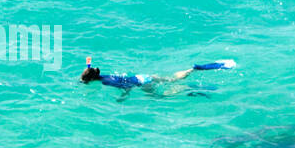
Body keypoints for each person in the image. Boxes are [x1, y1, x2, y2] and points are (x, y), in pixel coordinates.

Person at [80, 56, 235, 89]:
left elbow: (126, 87)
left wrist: (123, 98)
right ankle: (192, 69)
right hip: (142, 76)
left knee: (161, 98)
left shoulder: (105, 82)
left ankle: (190, 84)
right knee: (171, 79)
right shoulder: (105, 76)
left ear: (92, 79)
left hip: (143, 83)